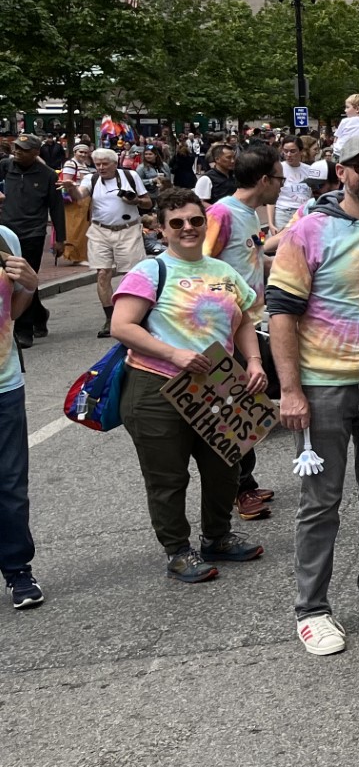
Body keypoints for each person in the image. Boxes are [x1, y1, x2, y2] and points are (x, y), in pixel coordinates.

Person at [267, 133, 359, 657]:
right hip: (322, 387)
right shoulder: (307, 231)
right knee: (321, 502)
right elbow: (281, 313)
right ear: (340, 169)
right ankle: (312, 609)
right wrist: (290, 390)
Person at [111, 187, 268, 583]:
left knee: (224, 467)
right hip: (157, 387)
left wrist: (252, 361)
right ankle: (178, 551)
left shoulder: (223, 271)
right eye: (177, 223)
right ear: (162, 229)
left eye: (195, 220)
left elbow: (244, 320)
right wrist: (173, 354)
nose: (188, 228)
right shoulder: (150, 271)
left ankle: (217, 537)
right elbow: (122, 326)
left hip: (218, 384)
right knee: (168, 476)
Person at [204, 145, 286, 521]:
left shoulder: (249, 216)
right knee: (233, 410)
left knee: (246, 405)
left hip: (248, 322)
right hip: (222, 328)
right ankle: (237, 491)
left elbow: (252, 261)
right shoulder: (222, 213)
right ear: (265, 180)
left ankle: (245, 483)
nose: (283, 186)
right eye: (280, 179)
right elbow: (200, 261)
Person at [0, 217, 41, 608]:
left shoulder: (4, 236)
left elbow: (11, 311)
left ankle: (17, 571)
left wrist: (29, 283)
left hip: (3, 382)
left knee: (10, 485)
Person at [81, 146, 151, 338]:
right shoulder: (91, 179)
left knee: (131, 274)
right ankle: (110, 318)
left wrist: (134, 201)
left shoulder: (130, 176)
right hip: (99, 230)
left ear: (115, 163)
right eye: (97, 164)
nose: (101, 168)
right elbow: (79, 194)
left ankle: (133, 315)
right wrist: (71, 188)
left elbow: (148, 203)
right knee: (103, 273)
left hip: (128, 229)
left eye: (105, 164)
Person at [1, 137, 63, 347]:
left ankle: (24, 330)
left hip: (32, 234)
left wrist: (60, 239)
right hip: (6, 232)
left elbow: (56, 208)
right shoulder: (5, 167)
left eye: (24, 149)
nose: (18, 152)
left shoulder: (47, 175)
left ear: (36, 152)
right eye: (16, 147)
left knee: (25, 277)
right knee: (15, 279)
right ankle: (39, 314)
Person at [276, 136, 324, 228]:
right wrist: (270, 222)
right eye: (285, 151)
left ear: (301, 151)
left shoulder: (309, 170)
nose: (289, 154)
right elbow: (272, 197)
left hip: (303, 212)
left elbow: (314, 194)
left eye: (293, 151)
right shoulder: (279, 168)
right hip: (282, 212)